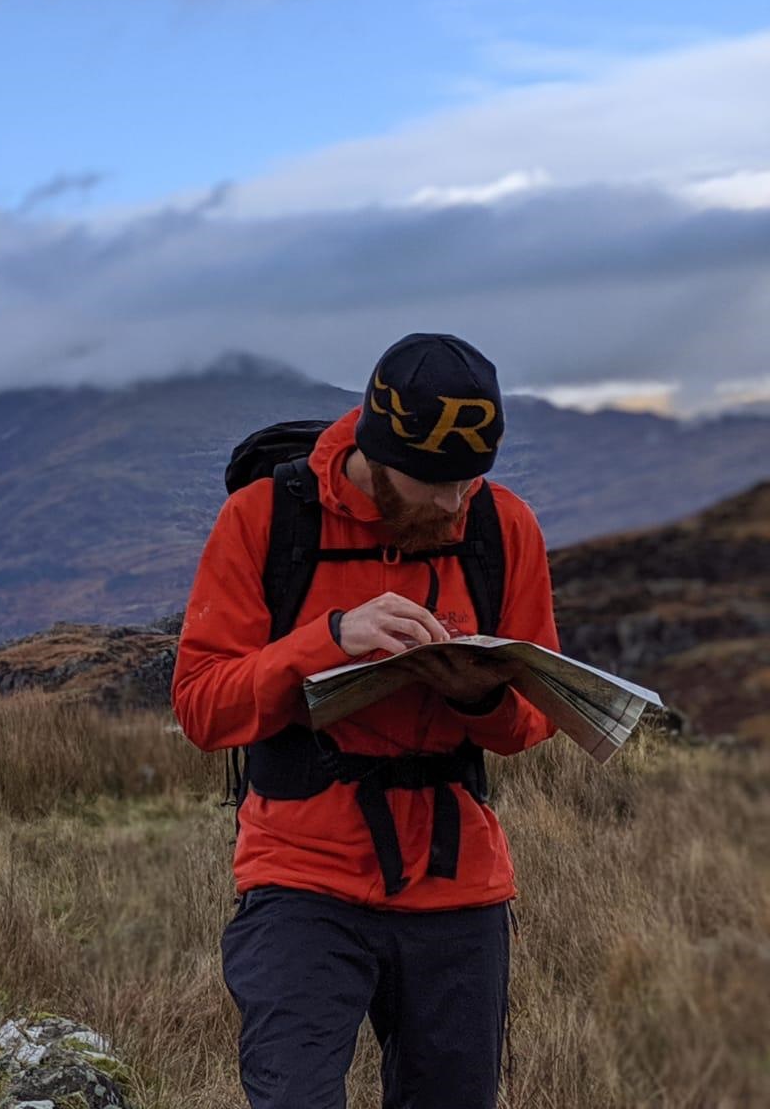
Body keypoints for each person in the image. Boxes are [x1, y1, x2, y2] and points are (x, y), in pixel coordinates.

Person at [171, 332, 561, 1109]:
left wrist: (479, 698)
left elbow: (529, 725)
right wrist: (329, 639)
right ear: (376, 454)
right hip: (300, 875)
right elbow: (203, 708)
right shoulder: (264, 520)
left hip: (459, 885)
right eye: (431, 482)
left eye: (470, 479)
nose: (452, 503)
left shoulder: (502, 527)